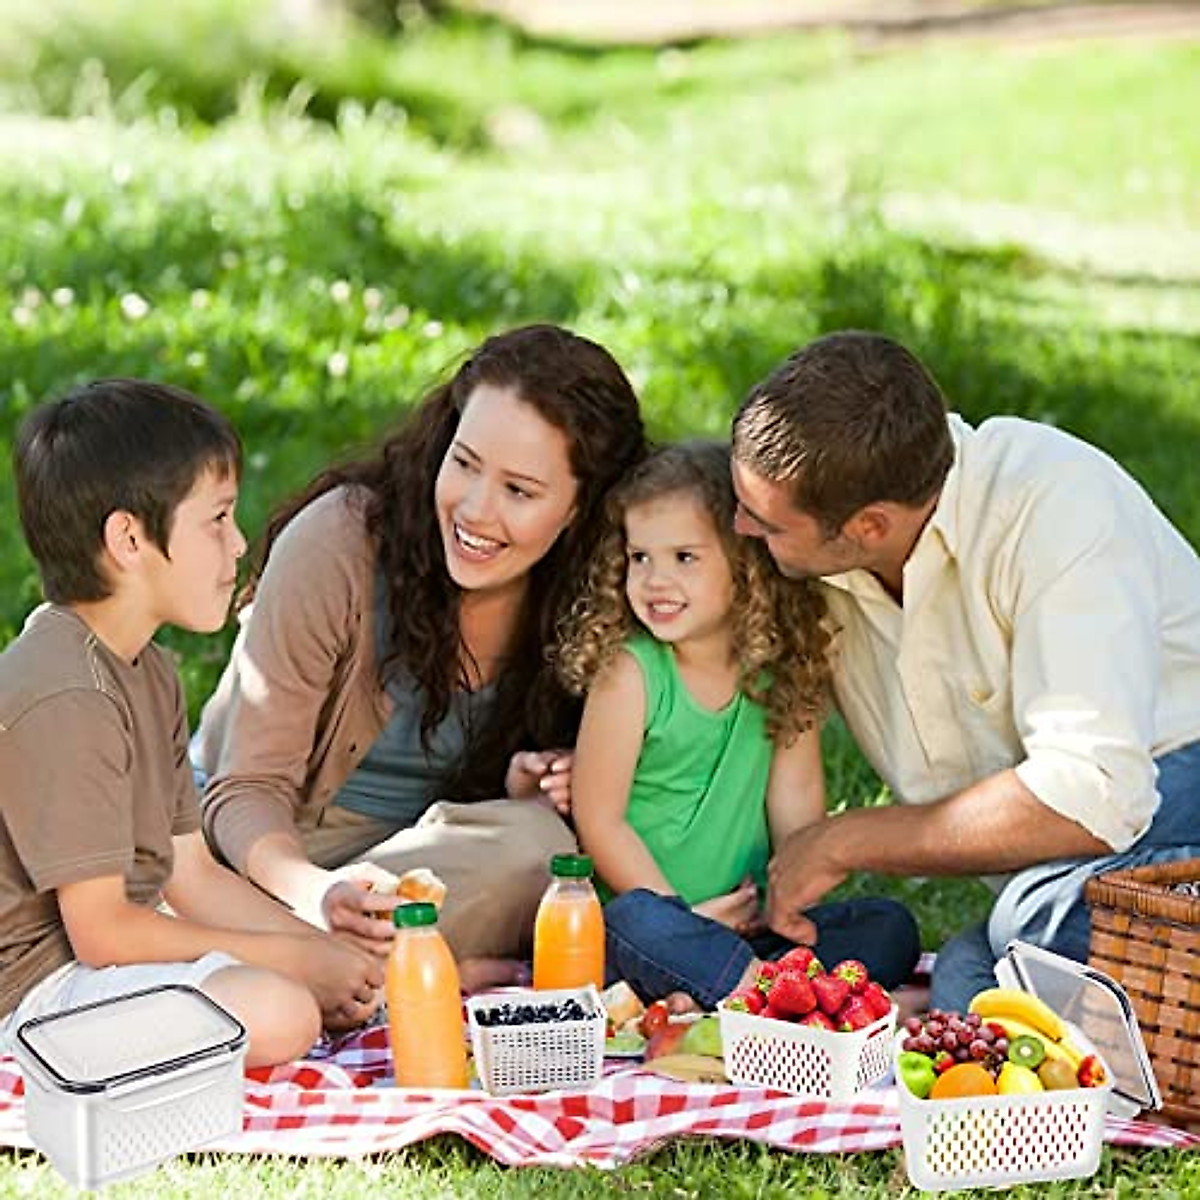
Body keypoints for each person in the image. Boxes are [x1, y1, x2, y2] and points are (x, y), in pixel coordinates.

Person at [730, 330, 1200, 1011]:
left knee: (1027, 926)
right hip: (1073, 866)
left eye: (767, 524)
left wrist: (844, 840)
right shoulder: (826, 548)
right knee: (972, 982)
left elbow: (1094, 793)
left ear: (869, 526)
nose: (741, 529)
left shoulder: (1054, 503)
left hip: (1175, 774)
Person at [193, 324, 648, 989]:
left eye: (519, 491)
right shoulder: (339, 542)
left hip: (418, 871)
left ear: (582, 509)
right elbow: (245, 790)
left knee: (541, 849)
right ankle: (385, 971)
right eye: (464, 463)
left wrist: (548, 779)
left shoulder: (604, 597)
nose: (474, 509)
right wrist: (317, 895)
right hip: (264, 853)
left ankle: (338, 972)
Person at [0, 379, 385, 1068]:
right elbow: (103, 934)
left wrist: (319, 945)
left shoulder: (147, 671)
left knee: (298, 983)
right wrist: (294, 958)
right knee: (281, 1009)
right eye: (217, 519)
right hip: (30, 1000)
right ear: (129, 538)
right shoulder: (66, 692)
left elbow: (192, 873)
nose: (238, 545)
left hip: (102, 974)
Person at [556, 440, 920, 1009]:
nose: (654, 579)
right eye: (639, 557)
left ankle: (733, 991)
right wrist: (686, 916)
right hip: (655, 925)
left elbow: (797, 809)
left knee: (888, 926)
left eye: (684, 557)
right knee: (634, 923)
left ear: (745, 567)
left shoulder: (780, 672)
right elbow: (600, 821)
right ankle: (770, 999)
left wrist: (788, 905)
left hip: (748, 926)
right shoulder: (630, 674)